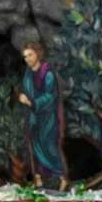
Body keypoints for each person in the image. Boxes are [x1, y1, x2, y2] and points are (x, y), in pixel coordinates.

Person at [17, 40, 65, 190]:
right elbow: (26, 90)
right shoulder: (28, 74)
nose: (28, 59)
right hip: (34, 118)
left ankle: (62, 177)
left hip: (48, 118)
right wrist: (22, 98)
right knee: (35, 145)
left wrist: (31, 102)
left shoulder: (48, 73)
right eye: (25, 57)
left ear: (37, 53)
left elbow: (51, 96)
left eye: (30, 55)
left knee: (49, 146)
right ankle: (38, 179)